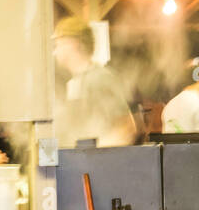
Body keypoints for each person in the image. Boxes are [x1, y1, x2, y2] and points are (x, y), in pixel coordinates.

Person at [52, 16, 137, 147]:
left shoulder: (100, 78)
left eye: (58, 44)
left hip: (98, 163)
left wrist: (90, 153)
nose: (55, 52)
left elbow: (126, 129)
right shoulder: (74, 82)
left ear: (73, 43)